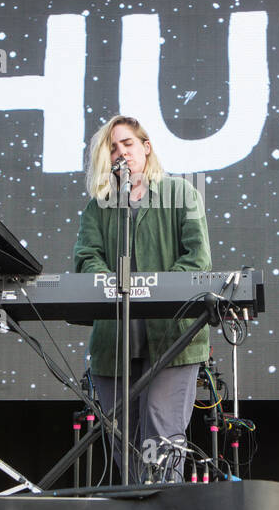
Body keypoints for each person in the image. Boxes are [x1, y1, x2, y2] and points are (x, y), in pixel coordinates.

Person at [73, 115, 211, 482]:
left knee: (162, 443)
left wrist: (156, 292)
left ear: (146, 147)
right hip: (113, 343)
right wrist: (109, 285)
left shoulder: (181, 194)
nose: (121, 152)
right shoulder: (98, 207)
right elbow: (86, 258)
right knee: (125, 448)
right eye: (113, 147)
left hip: (173, 338)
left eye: (128, 144)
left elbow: (197, 258)